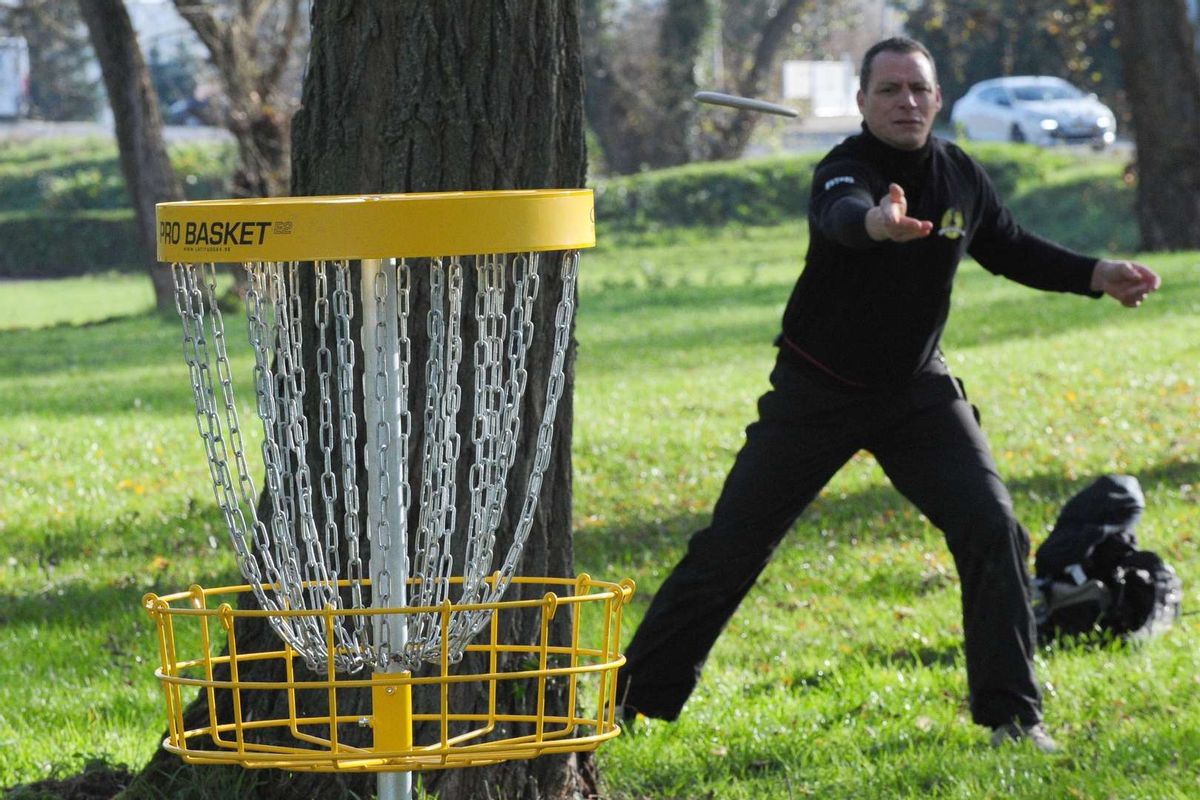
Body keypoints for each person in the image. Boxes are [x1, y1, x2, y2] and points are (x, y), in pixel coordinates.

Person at [615, 36, 1161, 753]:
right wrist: (878, 223)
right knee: (731, 547)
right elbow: (844, 217)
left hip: (916, 392)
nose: (906, 101)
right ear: (863, 102)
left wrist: (1096, 275)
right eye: (889, 89)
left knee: (993, 527)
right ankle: (629, 701)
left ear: (937, 98)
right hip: (818, 390)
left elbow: (1010, 246)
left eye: (918, 88)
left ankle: (1014, 717)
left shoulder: (960, 174)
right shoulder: (844, 170)